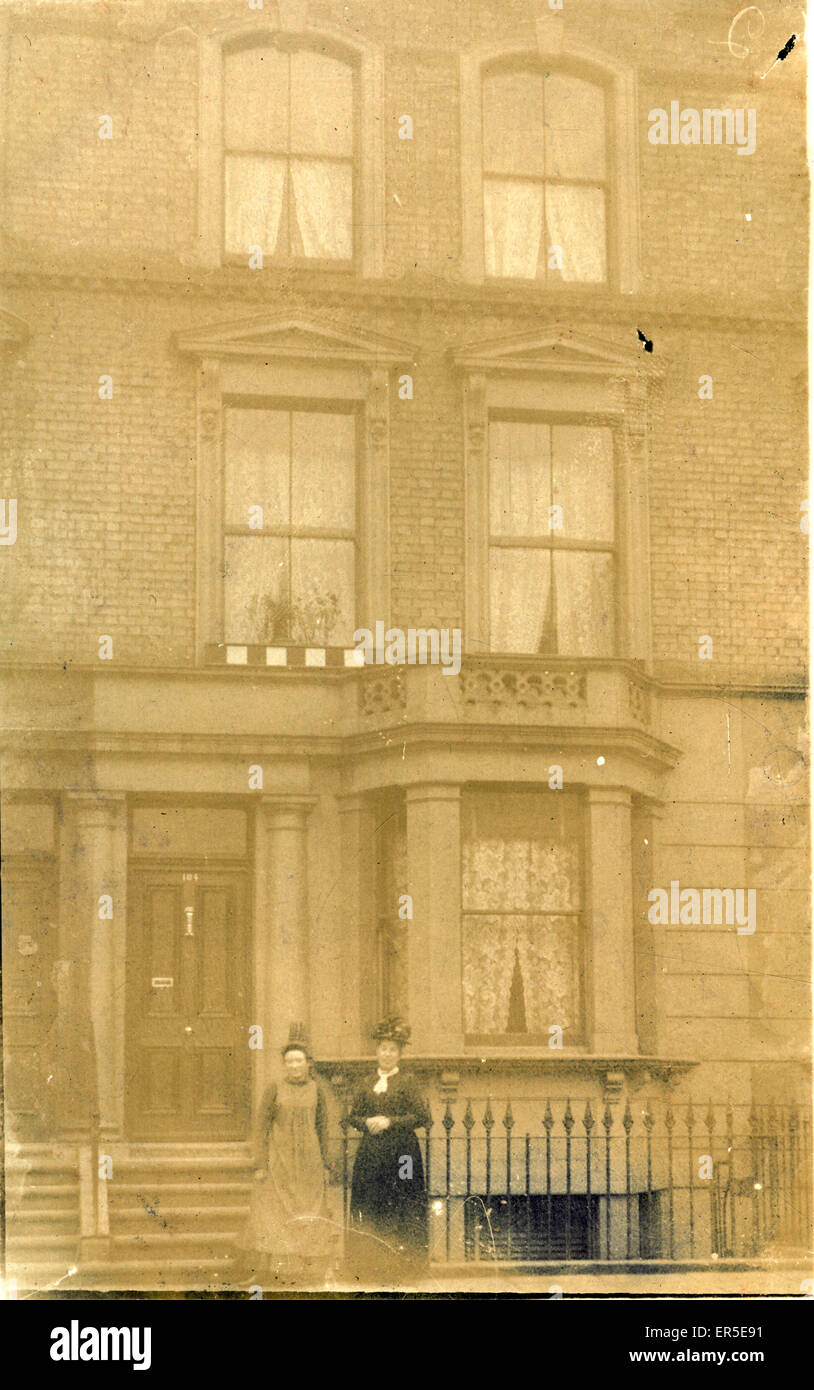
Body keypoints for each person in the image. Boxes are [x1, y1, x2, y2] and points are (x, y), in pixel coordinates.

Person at [235, 1024, 335, 1287]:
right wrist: (260, 1163)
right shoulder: (274, 1088)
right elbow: (261, 1127)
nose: (293, 1065)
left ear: (307, 1064)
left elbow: (323, 1128)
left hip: (309, 1165)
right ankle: (269, 1272)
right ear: (284, 1064)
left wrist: (327, 1164)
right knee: (273, 1214)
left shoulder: (317, 1090)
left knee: (307, 1215)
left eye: (298, 1060)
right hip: (278, 1162)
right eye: (289, 1061)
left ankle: (305, 1271)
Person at [346, 1017, 431, 1282]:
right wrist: (366, 1122)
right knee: (372, 1205)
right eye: (383, 1048)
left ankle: (404, 1268)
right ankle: (370, 1267)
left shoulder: (409, 1081)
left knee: (403, 1202)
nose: (387, 1053)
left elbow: (422, 1116)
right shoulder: (365, 1082)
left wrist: (390, 1121)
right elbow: (352, 1116)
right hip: (372, 1154)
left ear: (399, 1054)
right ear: (376, 1051)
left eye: (393, 1049)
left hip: (403, 1155)